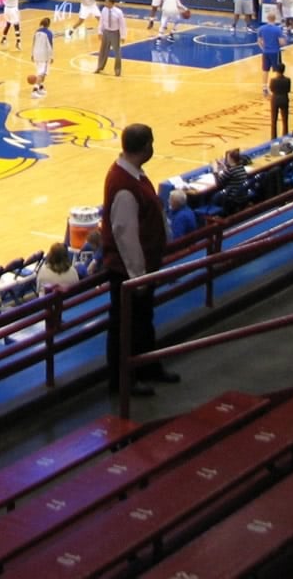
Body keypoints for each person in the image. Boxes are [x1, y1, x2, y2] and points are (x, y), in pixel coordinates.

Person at [100, 123, 176, 394]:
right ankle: (122, 383)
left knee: (143, 322)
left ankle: (148, 368)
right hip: (129, 274)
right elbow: (125, 234)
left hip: (141, 270)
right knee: (125, 328)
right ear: (145, 146)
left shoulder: (132, 175)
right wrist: (138, 276)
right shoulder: (123, 185)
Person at [95, 0, 126, 76]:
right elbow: (101, 21)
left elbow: (122, 25)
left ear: (112, 3)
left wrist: (123, 36)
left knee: (117, 52)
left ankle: (117, 70)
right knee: (103, 51)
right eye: (105, 2)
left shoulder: (119, 12)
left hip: (115, 33)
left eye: (107, 2)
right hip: (106, 32)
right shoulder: (104, 10)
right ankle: (99, 67)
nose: (105, 3)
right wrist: (100, 32)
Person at [257, 12, 286, 97]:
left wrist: (263, 49)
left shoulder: (261, 29)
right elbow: (281, 42)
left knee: (265, 70)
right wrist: (284, 41)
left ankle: (265, 88)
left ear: (267, 19)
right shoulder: (277, 29)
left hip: (265, 53)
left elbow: (259, 41)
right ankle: (277, 88)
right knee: (278, 70)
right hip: (275, 52)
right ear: (274, 19)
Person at [31, 16, 55, 99]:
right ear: (48, 25)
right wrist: (51, 56)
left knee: (40, 72)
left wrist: (32, 54)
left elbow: (33, 43)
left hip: (36, 54)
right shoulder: (49, 33)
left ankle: (40, 88)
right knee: (41, 73)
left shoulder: (36, 32)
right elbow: (50, 46)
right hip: (44, 55)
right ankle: (34, 90)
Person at [269, 60, 291, 139]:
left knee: (274, 121)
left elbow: (271, 89)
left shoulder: (273, 80)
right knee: (285, 121)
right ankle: (285, 137)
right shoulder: (288, 80)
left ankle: (273, 138)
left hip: (275, 100)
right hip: (284, 99)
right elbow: (288, 90)